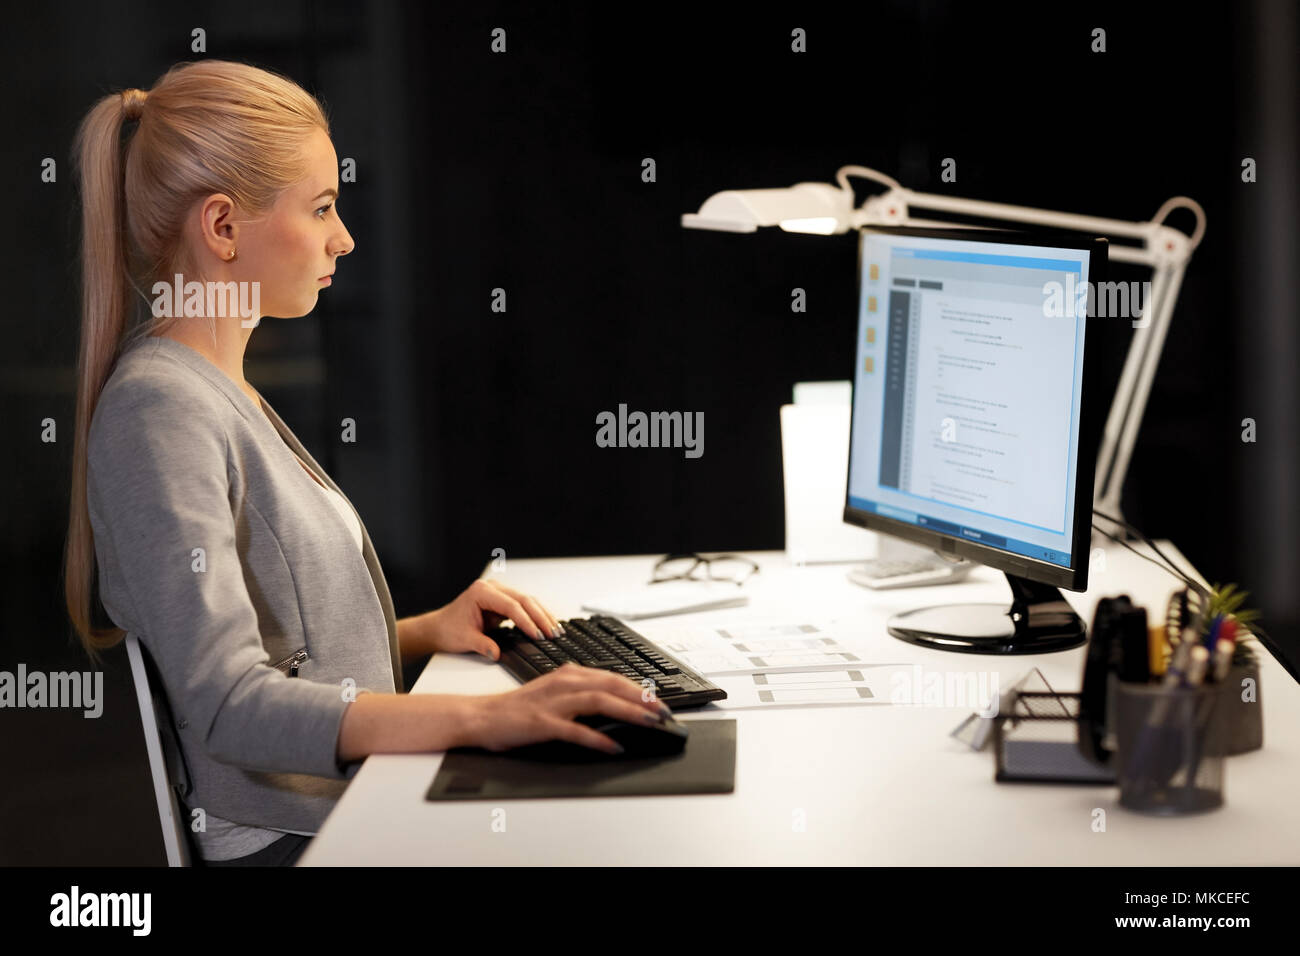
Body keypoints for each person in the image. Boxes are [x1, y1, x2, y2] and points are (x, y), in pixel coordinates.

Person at [62, 60, 667, 867]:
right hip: (298, 844)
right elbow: (228, 703)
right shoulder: (160, 412)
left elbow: (290, 646)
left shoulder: (208, 390)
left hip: (338, 815)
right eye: (320, 209)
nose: (343, 237)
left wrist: (420, 633)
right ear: (223, 226)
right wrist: (486, 719)